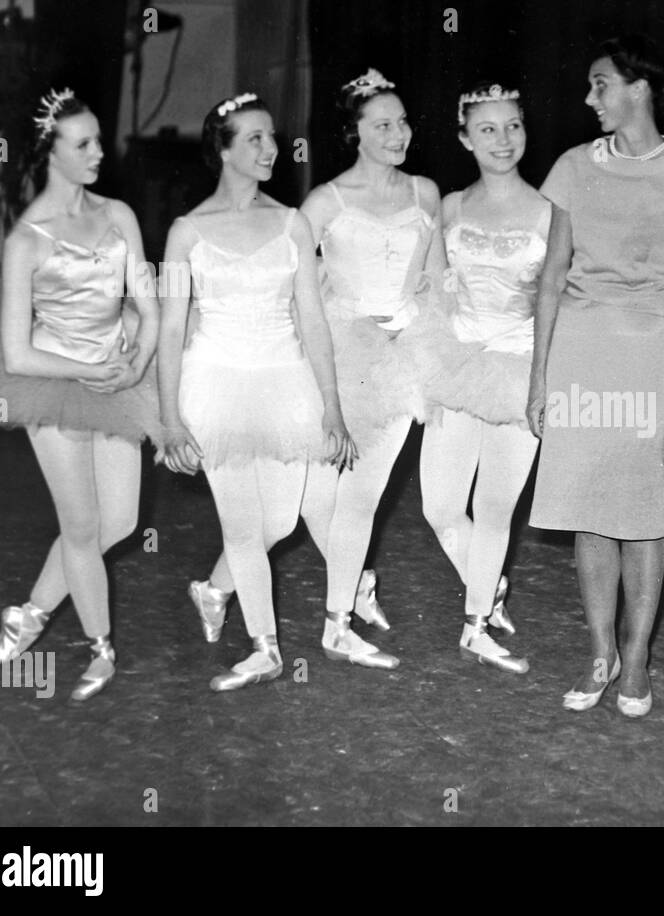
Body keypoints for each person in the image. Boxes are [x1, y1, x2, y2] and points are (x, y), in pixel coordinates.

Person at [186, 71, 440, 671]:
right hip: (333, 358)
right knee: (305, 504)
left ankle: (327, 615)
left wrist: (423, 332)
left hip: (402, 359)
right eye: (382, 124)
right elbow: (282, 276)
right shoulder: (324, 200)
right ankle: (333, 597)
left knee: (359, 499)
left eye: (403, 122)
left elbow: (435, 279)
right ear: (353, 133)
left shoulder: (426, 193)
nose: (398, 134)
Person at [527, 35, 664, 717]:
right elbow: (551, 277)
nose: (590, 99)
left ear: (639, 88)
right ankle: (600, 653)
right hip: (580, 352)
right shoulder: (574, 167)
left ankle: (637, 663)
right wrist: (538, 379)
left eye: (600, 84)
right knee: (588, 510)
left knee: (641, 517)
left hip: (649, 356)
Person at [0, 89, 159, 701]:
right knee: (82, 525)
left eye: (98, 139)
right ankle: (100, 648)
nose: (100, 152)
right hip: (51, 383)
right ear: (52, 153)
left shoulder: (119, 214)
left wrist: (135, 362)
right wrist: (85, 373)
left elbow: (149, 306)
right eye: (85, 144)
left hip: (116, 374)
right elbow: (17, 353)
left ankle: (30, 614)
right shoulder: (26, 240)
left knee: (119, 522)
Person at [158, 92, 354, 691]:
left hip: (284, 377)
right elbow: (170, 328)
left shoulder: (292, 222)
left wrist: (332, 407)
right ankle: (264, 647)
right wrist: (169, 419)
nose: (271, 149)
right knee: (243, 526)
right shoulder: (186, 232)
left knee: (281, 520)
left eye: (272, 137)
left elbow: (313, 321)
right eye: (254, 139)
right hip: (215, 382)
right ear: (222, 150)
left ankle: (214, 586)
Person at [417, 83, 547, 674]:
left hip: (520, 368)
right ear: (466, 138)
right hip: (460, 363)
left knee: (495, 508)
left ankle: (475, 626)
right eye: (488, 129)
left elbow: (554, 305)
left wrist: (545, 381)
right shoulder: (450, 206)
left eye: (512, 126)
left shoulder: (551, 213)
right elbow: (436, 294)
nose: (503, 140)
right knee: (440, 506)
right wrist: (432, 370)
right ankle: (488, 589)